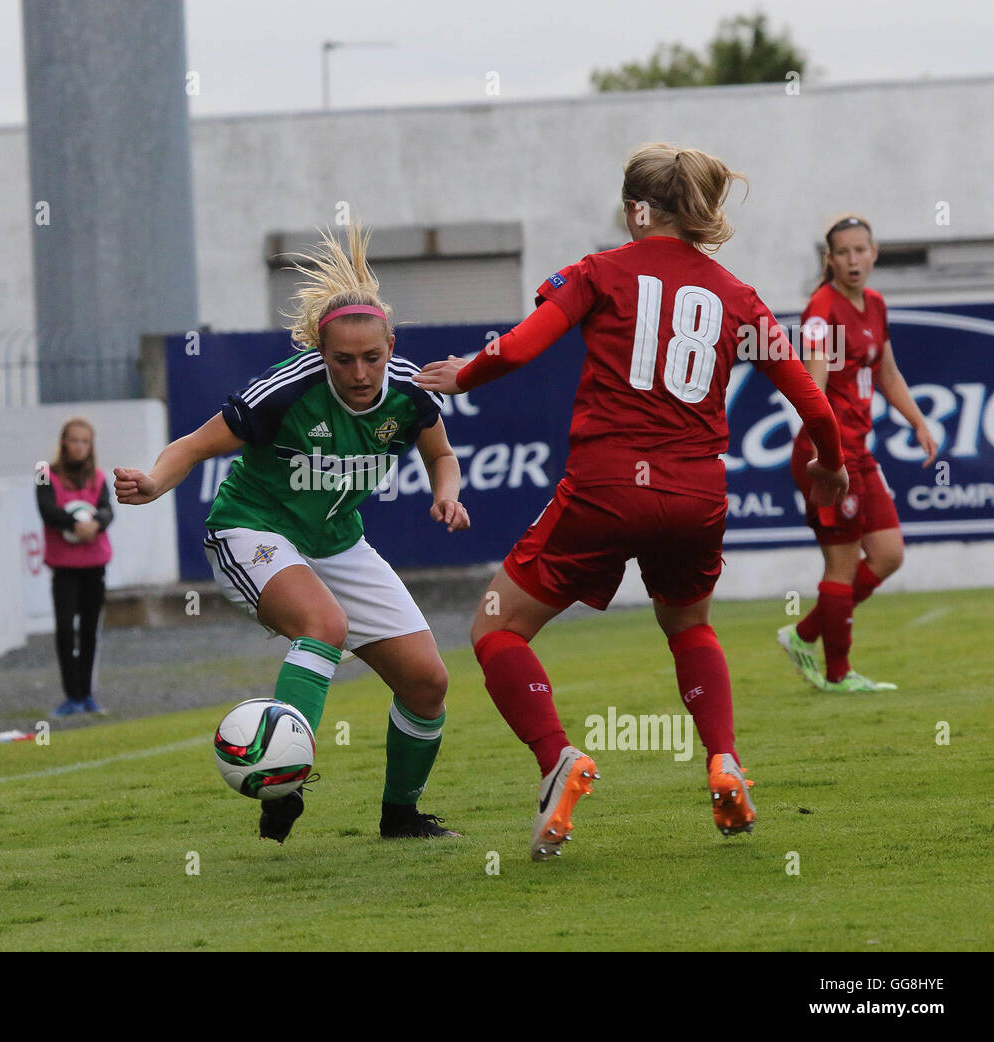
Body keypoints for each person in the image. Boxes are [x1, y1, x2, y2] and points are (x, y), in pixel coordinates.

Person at [415, 144, 848, 859]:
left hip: (609, 483)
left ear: (634, 210)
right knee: (689, 627)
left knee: (496, 628)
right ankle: (724, 761)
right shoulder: (739, 297)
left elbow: (521, 348)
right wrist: (830, 469)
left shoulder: (600, 271)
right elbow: (817, 410)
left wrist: (465, 376)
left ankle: (559, 759)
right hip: (697, 492)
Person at [115, 224, 470, 842]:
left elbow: (441, 455)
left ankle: (401, 818)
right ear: (319, 351)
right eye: (342, 359)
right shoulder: (286, 390)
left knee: (428, 681)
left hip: (337, 540)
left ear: (391, 345)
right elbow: (195, 445)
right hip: (251, 529)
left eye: (372, 357)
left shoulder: (411, 394)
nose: (359, 373)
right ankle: (284, 785)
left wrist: (447, 495)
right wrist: (153, 482)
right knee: (323, 626)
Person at [777, 216, 939, 693]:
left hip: (860, 453)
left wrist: (918, 421)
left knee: (888, 555)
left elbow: (887, 373)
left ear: (875, 252)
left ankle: (804, 634)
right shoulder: (821, 310)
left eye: (860, 250)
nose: (852, 260)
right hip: (829, 456)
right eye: (842, 252)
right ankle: (837, 674)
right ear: (829, 259)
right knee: (842, 567)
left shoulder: (875, 304)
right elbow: (814, 388)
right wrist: (826, 458)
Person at [37, 417, 114, 716]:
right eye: (74, 440)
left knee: (90, 630)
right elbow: (47, 511)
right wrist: (75, 523)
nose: (79, 446)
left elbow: (108, 509)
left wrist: (97, 523)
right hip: (65, 566)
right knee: (66, 630)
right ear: (64, 442)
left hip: (94, 564)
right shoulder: (45, 474)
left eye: (85, 441)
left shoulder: (98, 477)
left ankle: (87, 695)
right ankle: (71, 696)